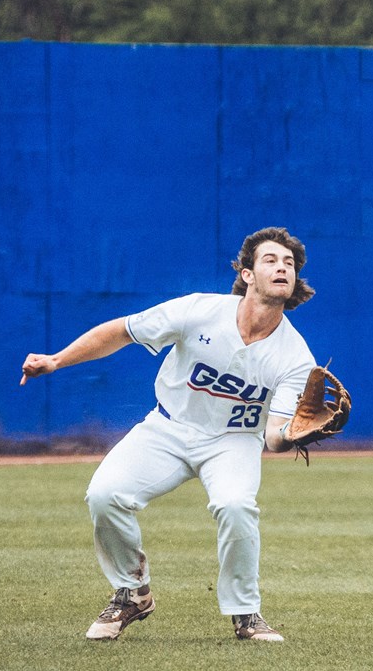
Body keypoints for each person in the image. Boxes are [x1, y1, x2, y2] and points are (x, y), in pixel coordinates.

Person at [19, 226, 323, 643]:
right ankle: (132, 592)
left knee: (235, 506)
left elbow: (272, 437)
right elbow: (122, 330)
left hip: (233, 440)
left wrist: (294, 434)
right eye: (270, 260)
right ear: (248, 274)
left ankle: (245, 614)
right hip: (169, 426)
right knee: (105, 495)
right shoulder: (200, 310)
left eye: (289, 263)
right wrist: (56, 361)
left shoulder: (295, 357)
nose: (282, 267)